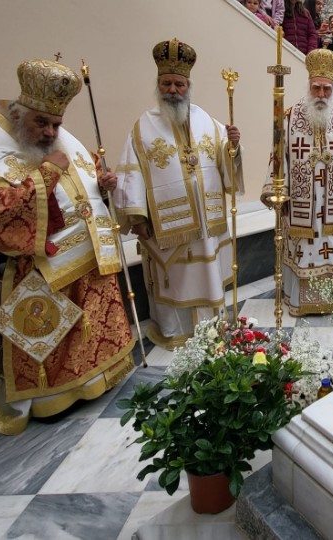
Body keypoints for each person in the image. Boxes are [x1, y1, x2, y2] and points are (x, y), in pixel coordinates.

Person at [0, 59, 135, 434]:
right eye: (40, 123)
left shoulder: (63, 143)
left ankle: (93, 381)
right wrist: (47, 173)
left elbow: (83, 175)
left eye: (55, 124)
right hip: (34, 269)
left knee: (88, 328)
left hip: (83, 254)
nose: (49, 132)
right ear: (17, 116)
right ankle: (49, 398)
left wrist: (102, 182)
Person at [114, 39, 244, 349]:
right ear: (158, 85)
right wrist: (137, 215)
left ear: (189, 85)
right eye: (167, 83)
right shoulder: (143, 127)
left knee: (206, 271)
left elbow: (227, 162)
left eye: (179, 83)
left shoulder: (207, 121)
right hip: (167, 228)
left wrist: (234, 146)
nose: (173, 90)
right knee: (176, 277)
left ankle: (211, 326)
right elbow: (131, 171)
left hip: (205, 225)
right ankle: (176, 331)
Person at [261, 48, 333, 316]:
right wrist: (279, 194)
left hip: (332, 208)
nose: (321, 95)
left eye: (326, 89)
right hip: (301, 206)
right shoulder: (288, 118)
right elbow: (279, 157)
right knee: (300, 250)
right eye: (316, 88)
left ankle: (330, 299)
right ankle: (297, 300)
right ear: (309, 86)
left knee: (332, 251)